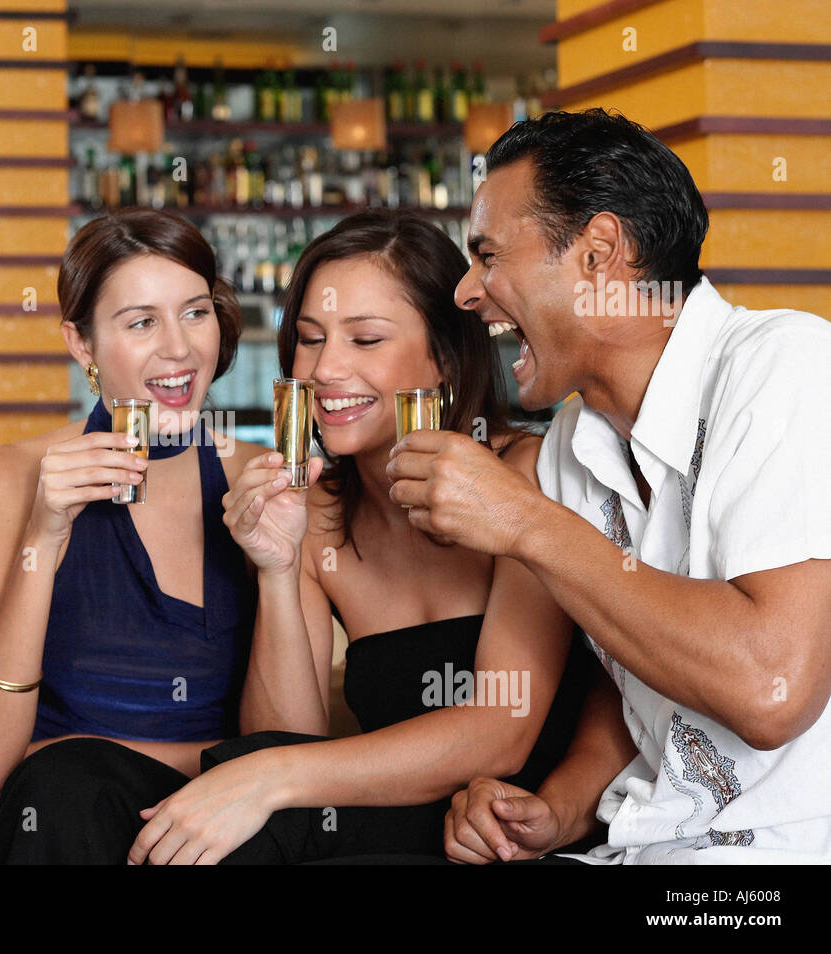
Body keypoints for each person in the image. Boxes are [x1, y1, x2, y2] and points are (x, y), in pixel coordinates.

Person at [393, 108, 831, 863]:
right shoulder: (572, 443)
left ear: (599, 253)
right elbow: (641, 670)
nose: (466, 292)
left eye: (488, 255)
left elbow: (772, 689)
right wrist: (557, 809)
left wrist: (525, 522)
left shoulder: (786, 366)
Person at [127, 209, 593, 865]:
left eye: (366, 340)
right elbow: (282, 738)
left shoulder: (526, 475)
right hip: (394, 830)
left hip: (525, 835)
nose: (326, 369)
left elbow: (499, 732)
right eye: (310, 339)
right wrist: (278, 570)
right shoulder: (316, 510)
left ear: (443, 356)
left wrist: (268, 778)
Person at [0, 208, 267, 864]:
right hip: (62, 831)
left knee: (64, 781)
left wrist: (66, 753)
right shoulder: (6, 479)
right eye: (142, 322)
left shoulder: (256, 478)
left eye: (195, 313)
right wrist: (44, 534)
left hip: (215, 827)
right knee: (62, 798)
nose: (179, 349)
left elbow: (288, 749)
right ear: (81, 343)